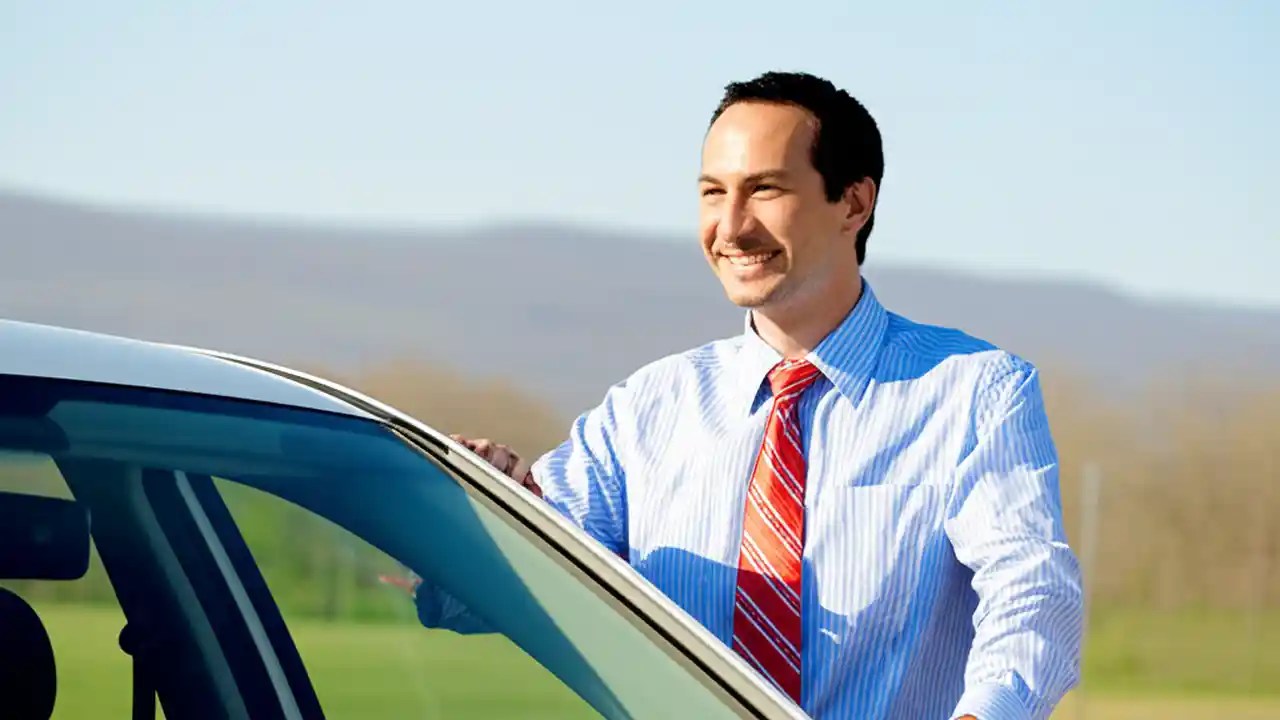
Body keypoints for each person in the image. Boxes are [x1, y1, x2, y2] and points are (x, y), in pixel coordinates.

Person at [436, 71, 1084, 720]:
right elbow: (490, 589)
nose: (732, 226)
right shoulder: (645, 412)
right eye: (713, 193)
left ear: (854, 204)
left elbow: (1032, 596)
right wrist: (465, 513)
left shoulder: (975, 392)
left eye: (765, 189)